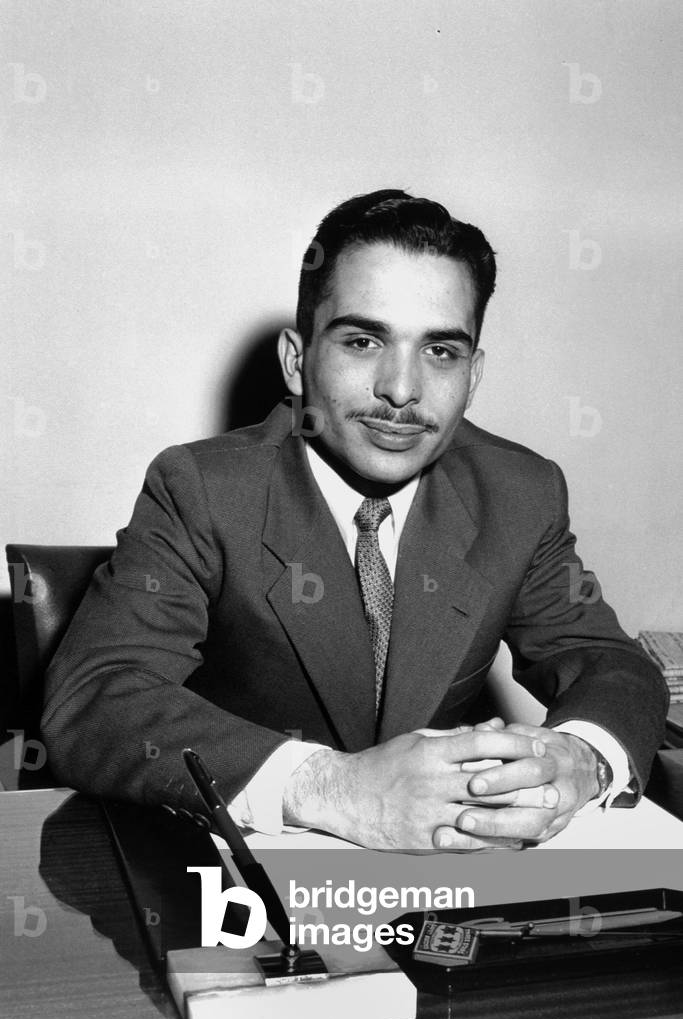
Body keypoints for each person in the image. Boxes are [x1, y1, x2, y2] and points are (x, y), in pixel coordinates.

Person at [41, 190, 667, 852]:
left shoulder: (519, 492)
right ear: (296, 360)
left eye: (440, 351)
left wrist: (581, 758)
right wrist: (334, 787)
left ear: (472, 373)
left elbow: (608, 663)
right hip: (223, 877)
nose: (401, 389)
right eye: (363, 340)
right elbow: (97, 698)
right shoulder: (202, 488)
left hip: (441, 890)